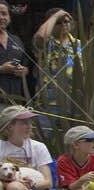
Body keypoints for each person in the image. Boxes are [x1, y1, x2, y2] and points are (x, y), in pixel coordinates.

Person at [31, 9, 82, 139]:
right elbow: (40, 37)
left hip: (72, 103)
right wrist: (56, 15)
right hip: (48, 104)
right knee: (44, 141)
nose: (64, 24)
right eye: (59, 22)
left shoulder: (78, 44)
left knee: (70, 143)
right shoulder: (48, 43)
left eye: (66, 21)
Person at [0, 0, 28, 100]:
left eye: (4, 14)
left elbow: (25, 66)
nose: (1, 17)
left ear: (9, 18)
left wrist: (23, 71)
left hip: (14, 100)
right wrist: (1, 69)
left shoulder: (16, 40)